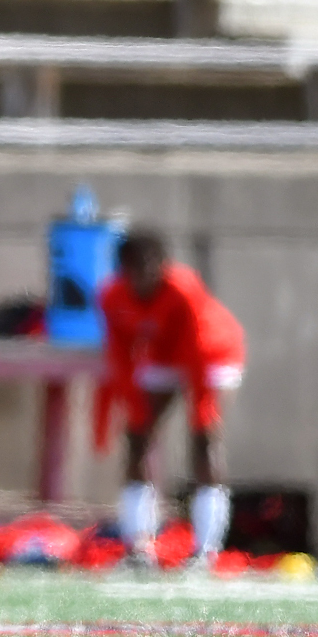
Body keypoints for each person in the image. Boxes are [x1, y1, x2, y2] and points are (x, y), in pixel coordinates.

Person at [98, 228, 246, 569]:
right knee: (137, 438)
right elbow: (120, 358)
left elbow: (197, 352)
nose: (141, 278)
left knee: (204, 441)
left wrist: (201, 412)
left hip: (211, 351)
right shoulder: (112, 297)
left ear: (163, 266)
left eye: (148, 267)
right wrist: (135, 408)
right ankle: (138, 544)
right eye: (132, 269)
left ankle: (206, 549)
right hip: (164, 355)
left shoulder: (183, 289)